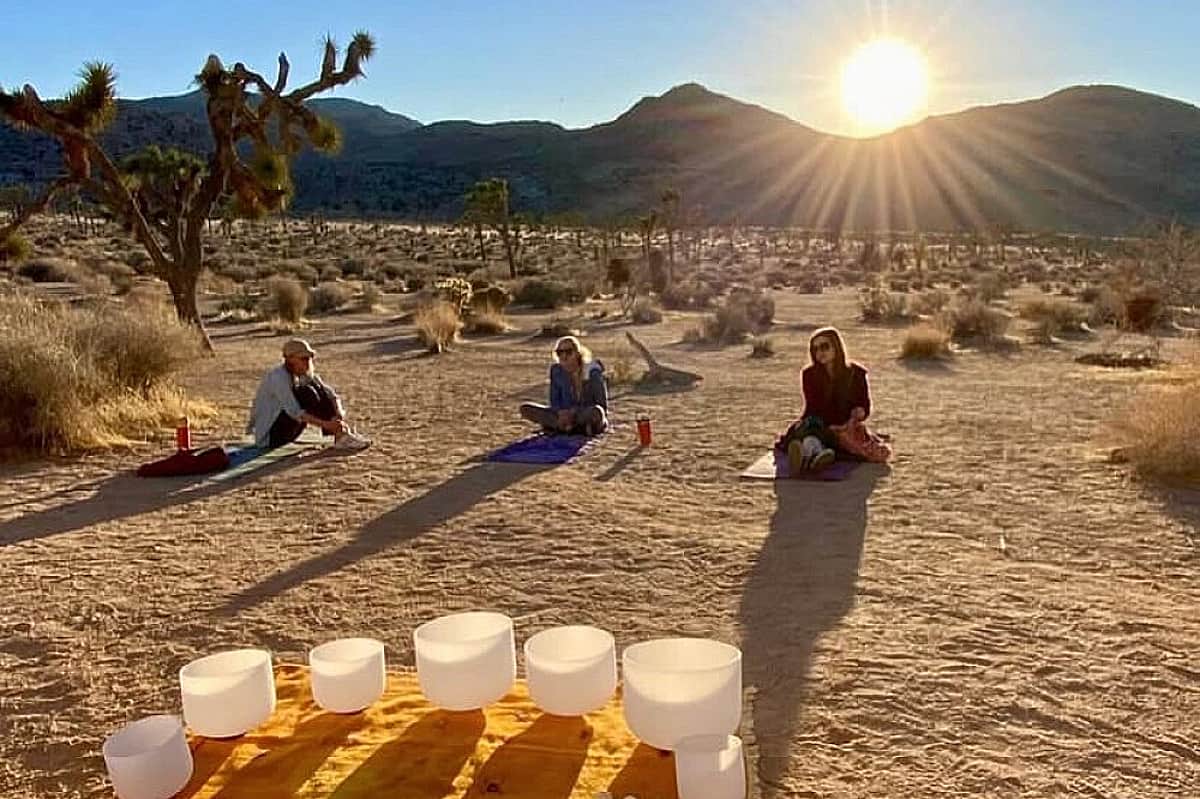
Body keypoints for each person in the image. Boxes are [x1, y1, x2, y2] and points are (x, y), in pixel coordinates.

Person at [776, 326, 891, 473]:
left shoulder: (856, 373)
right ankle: (813, 454)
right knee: (809, 427)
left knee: (844, 443)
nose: (820, 352)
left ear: (836, 347)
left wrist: (860, 412)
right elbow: (812, 407)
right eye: (815, 349)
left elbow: (865, 405)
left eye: (824, 346)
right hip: (820, 423)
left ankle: (812, 454)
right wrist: (829, 427)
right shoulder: (809, 374)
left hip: (846, 425)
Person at [247, 339, 371, 451]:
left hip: (290, 430)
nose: (308, 362)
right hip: (270, 437)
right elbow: (294, 412)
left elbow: (331, 395)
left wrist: (338, 416)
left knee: (317, 388)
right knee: (307, 393)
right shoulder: (278, 377)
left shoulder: (303, 374)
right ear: (290, 359)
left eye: (309, 358)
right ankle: (339, 434)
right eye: (303, 358)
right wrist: (327, 425)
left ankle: (340, 436)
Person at [519, 335, 609, 435]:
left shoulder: (592, 372)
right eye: (559, 353)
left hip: (583, 414)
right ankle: (571, 427)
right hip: (562, 415)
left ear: (577, 353)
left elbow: (602, 405)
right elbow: (554, 401)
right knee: (525, 409)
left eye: (568, 352)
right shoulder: (556, 371)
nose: (564, 356)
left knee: (596, 412)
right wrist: (560, 412)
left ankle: (563, 427)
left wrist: (573, 412)